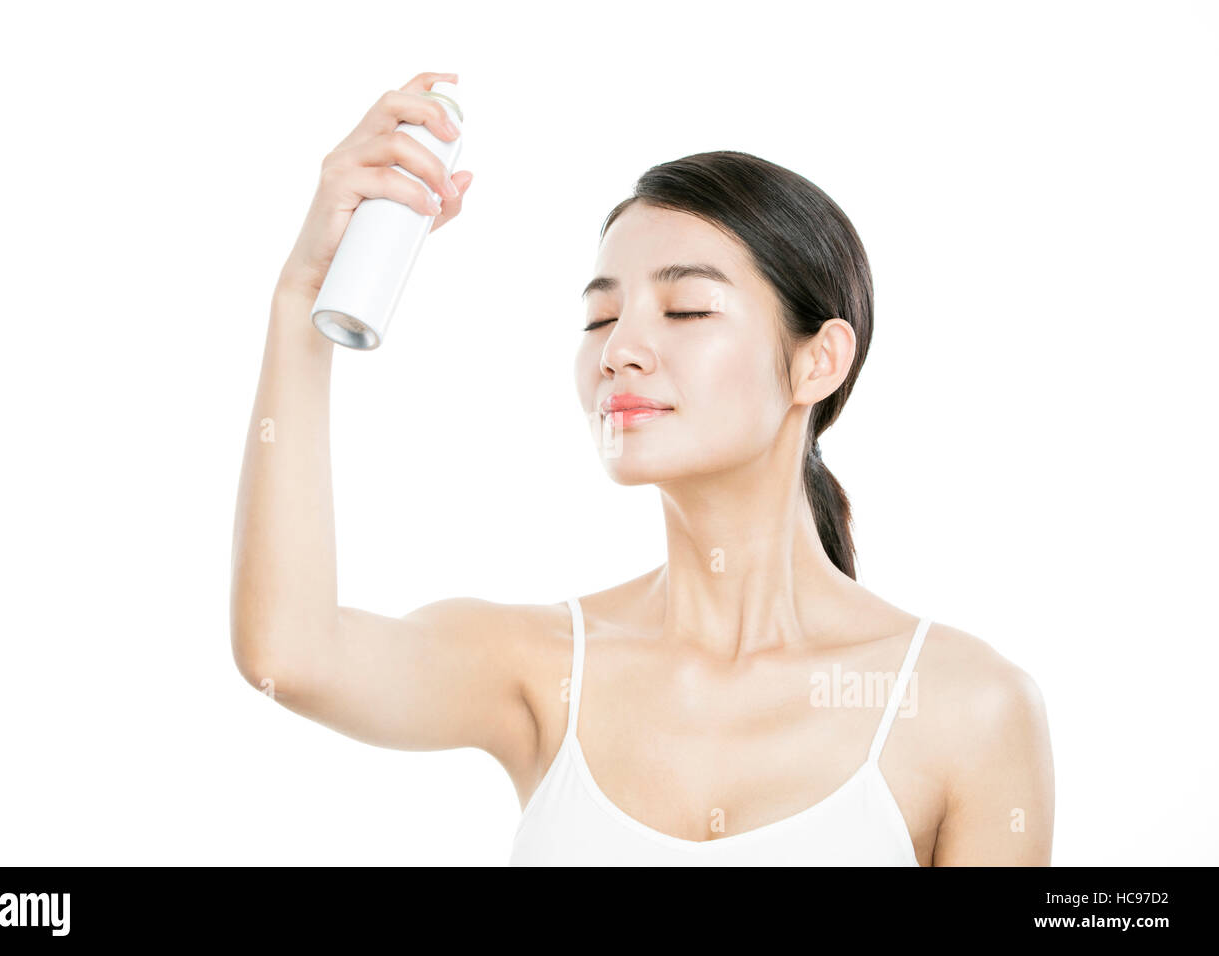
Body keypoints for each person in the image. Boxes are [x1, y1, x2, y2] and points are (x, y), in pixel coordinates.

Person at [230, 70, 1055, 866]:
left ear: (818, 362)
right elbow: (289, 655)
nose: (620, 350)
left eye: (687, 309)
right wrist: (305, 300)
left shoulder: (969, 709)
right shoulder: (542, 667)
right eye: (599, 317)